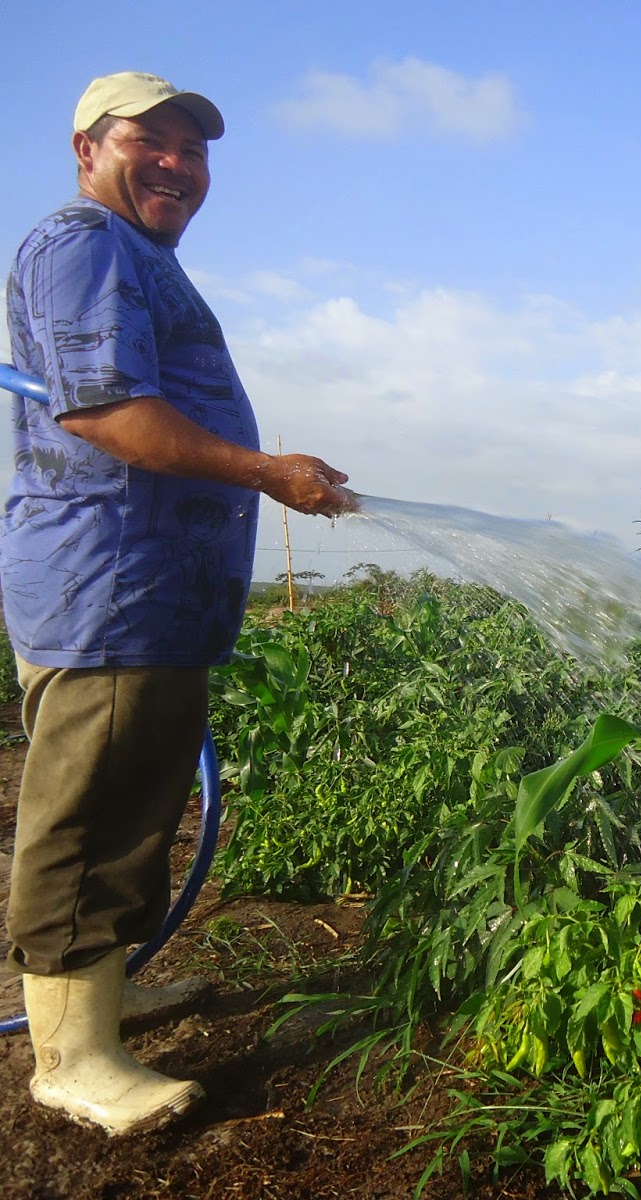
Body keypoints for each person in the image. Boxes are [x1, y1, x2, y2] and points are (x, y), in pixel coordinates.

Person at [2, 71, 356, 1136]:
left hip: (151, 593)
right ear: (86, 151)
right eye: (146, 142)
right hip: (109, 586)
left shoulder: (136, 258)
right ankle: (70, 1058)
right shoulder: (84, 246)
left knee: (137, 805)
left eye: (191, 150)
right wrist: (260, 469)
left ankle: (103, 1005)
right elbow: (106, 414)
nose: (175, 163)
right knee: (90, 814)